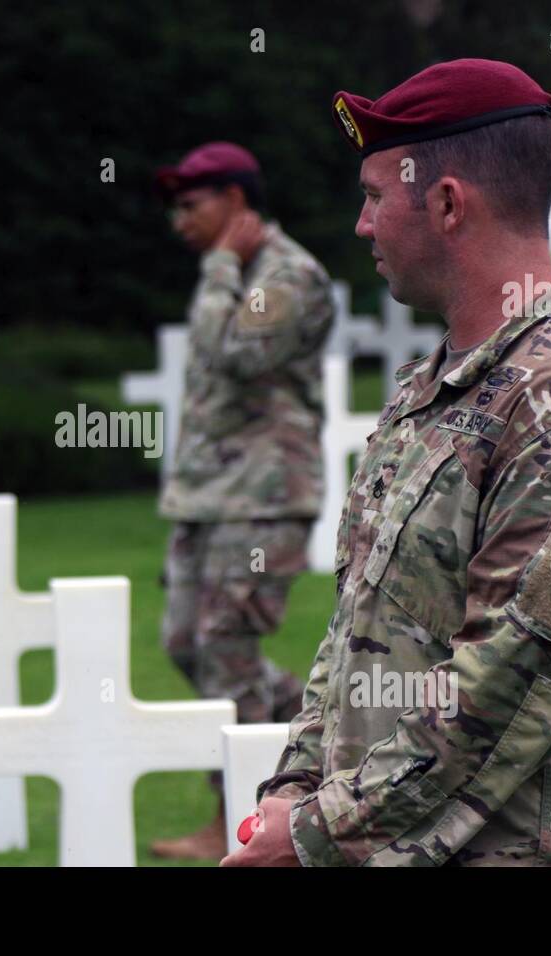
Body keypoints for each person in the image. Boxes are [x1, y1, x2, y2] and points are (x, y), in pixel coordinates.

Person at [224, 59, 551, 867]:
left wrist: (315, 835)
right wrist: (297, 780)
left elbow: (514, 683)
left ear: (447, 204)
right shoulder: (436, 389)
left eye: (376, 196)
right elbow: (361, 633)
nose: (361, 224)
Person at [147, 142, 334, 860]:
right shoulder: (232, 276)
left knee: (226, 649)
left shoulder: (289, 275)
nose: (179, 221)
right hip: (205, 498)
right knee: (184, 644)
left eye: (192, 206)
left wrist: (223, 267)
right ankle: (314, 724)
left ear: (235, 201)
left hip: (263, 497)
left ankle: (240, 822)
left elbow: (234, 355)